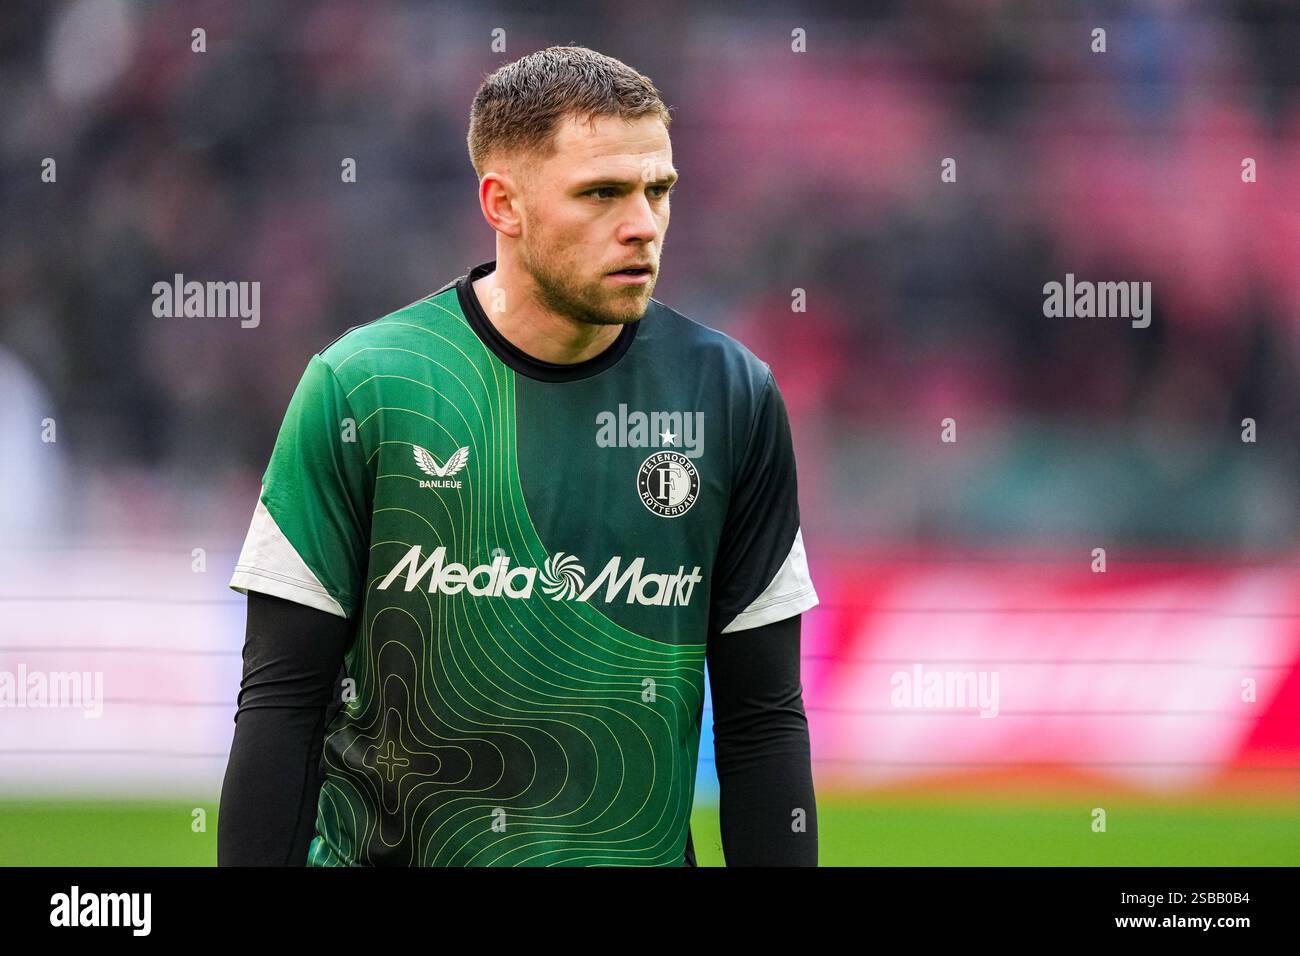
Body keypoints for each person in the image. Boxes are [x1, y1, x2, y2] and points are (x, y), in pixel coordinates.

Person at [218, 45, 819, 867]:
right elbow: (282, 704)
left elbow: (762, 720)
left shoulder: (731, 396)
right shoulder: (363, 387)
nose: (642, 222)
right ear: (503, 203)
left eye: (658, 190)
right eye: (602, 192)